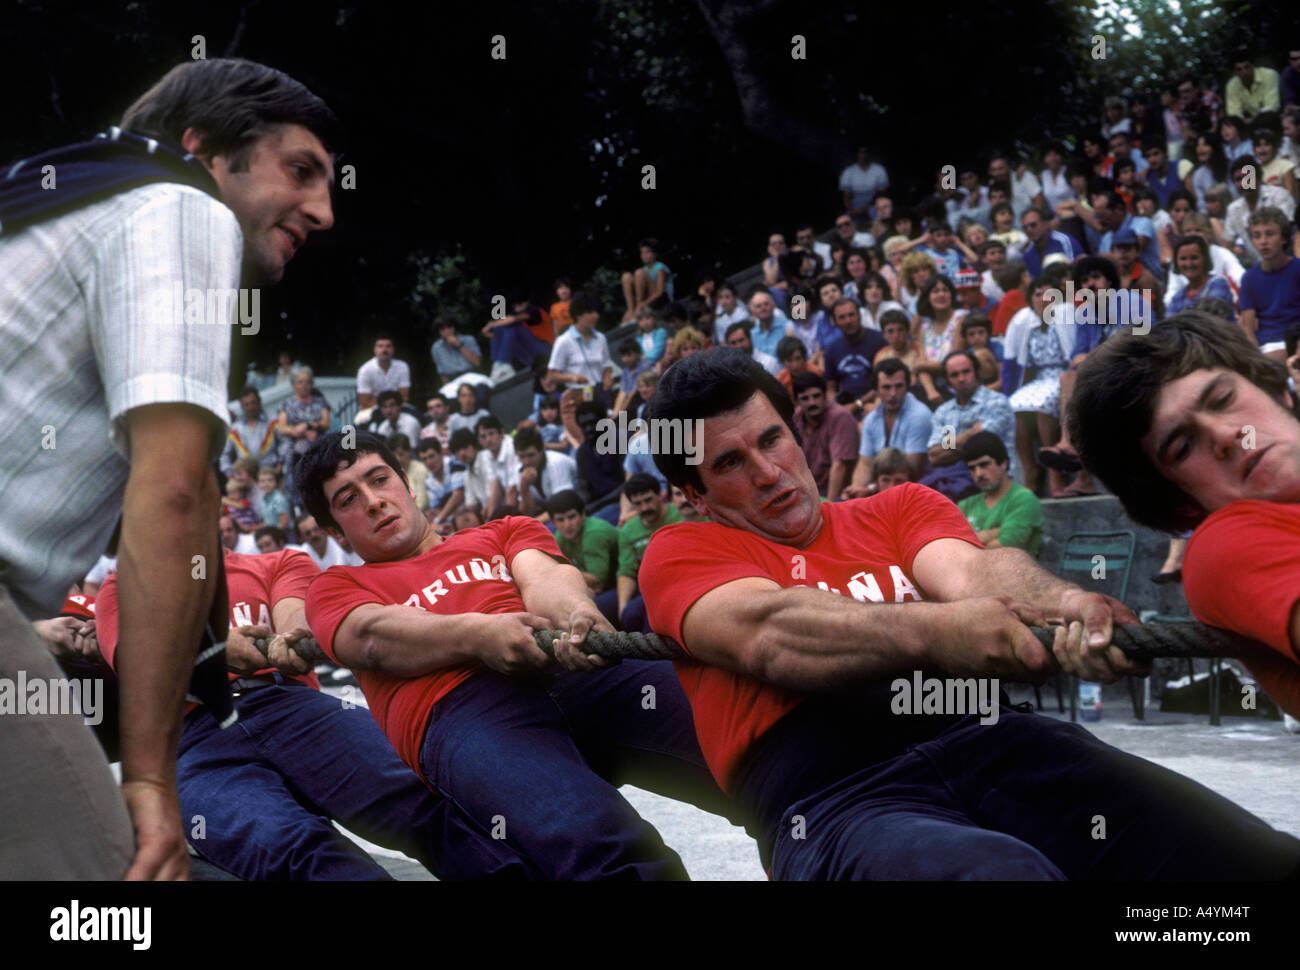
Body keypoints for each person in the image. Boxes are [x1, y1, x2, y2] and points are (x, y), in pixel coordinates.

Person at [636, 347, 1300, 880]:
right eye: (729, 462)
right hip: (834, 800)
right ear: (693, 492)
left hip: (996, 738)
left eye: (771, 440)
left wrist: (1064, 603)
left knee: (1248, 862)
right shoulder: (679, 551)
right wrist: (940, 631)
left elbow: (977, 571)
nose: (766, 471)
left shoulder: (896, 507)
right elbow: (768, 634)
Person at [0, 56, 337, 880]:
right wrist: (151, 778)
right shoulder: (181, 204)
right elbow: (176, 490)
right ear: (203, 148)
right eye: (300, 170)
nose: (325, 212)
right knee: (115, 886)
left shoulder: (65, 208)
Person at [296, 431, 732, 878]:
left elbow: (544, 577)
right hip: (461, 712)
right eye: (349, 498)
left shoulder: (504, 529)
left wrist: (576, 614)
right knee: (604, 848)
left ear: (406, 481)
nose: (373, 501)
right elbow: (368, 635)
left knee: (754, 752)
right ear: (334, 530)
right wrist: (480, 634)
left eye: (379, 479)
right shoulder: (334, 588)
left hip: (568, 663)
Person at [95, 545, 527, 880]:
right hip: (192, 738)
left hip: (288, 703)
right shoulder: (120, 588)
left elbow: (296, 615)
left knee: (418, 797)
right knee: (284, 845)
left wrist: (292, 635)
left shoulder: (279, 561)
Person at [1069, 311, 1300, 725]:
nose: (1226, 436)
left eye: (1223, 400)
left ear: (1277, 390)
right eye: (1182, 447)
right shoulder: (1225, 545)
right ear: (1180, 500)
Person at [843, 358, 932, 498]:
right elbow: (865, 464)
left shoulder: (919, 415)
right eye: (886, 387)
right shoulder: (871, 419)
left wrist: (870, 489)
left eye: (899, 386)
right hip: (881, 488)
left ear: (907, 386)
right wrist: (856, 490)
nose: (893, 393)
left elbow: (910, 470)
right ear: (876, 390)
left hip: (912, 491)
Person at [615, 473, 683, 634]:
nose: (645, 508)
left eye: (648, 500)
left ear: (661, 495)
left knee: (651, 622)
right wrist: (622, 605)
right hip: (648, 587)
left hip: (678, 581)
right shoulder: (627, 531)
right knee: (628, 615)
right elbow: (627, 571)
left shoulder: (681, 514)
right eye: (638, 504)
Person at [958, 432, 1043, 556]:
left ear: (1004, 463)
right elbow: (952, 549)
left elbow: (1002, 549)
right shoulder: (966, 505)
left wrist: (972, 541)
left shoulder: (1024, 499)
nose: (978, 474)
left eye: (984, 464)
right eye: (972, 468)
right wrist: (996, 532)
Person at [547, 489, 620, 626]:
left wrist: (563, 573)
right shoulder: (560, 537)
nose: (567, 525)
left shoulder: (593, 533)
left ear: (583, 515)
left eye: (571, 517)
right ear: (553, 523)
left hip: (623, 583)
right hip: (602, 586)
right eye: (560, 520)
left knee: (590, 609)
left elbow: (597, 581)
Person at [1238, 207, 1300, 360]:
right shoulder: (1249, 278)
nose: (1263, 242)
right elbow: (1248, 330)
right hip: (1266, 346)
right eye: (1257, 236)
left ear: (1284, 238)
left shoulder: (1297, 269)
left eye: (1270, 234)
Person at [791, 372, 858, 501]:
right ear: (797, 401)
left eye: (816, 396)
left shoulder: (840, 417)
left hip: (839, 493)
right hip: (808, 489)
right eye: (805, 398)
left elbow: (839, 466)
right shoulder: (795, 418)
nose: (812, 403)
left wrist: (829, 506)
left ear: (825, 395)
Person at [1224, 157, 1296, 267]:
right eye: (1238, 179)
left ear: (1258, 178)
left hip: (1288, 262)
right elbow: (1227, 244)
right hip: (1258, 268)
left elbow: (1288, 233)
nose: (1244, 183)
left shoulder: (1279, 195)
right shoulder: (1233, 209)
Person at [823, 298, 888, 414]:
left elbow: (885, 382)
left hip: (874, 403)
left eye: (851, 315)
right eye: (842, 317)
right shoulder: (832, 348)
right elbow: (830, 388)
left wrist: (858, 404)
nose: (848, 321)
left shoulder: (879, 341)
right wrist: (835, 407)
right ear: (835, 322)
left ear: (859, 316)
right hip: (844, 406)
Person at [547, 291, 614, 400]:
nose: (595, 316)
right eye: (590, 312)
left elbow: (607, 366)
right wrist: (573, 378)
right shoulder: (563, 341)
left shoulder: (601, 338)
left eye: (596, 312)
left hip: (601, 392)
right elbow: (552, 375)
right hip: (577, 395)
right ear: (578, 315)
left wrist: (607, 378)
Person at [1166, 234, 1237, 321]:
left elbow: (1210, 321)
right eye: (1183, 259)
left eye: (1194, 258)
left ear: (1205, 259)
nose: (1189, 264)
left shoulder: (1218, 284)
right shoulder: (1178, 297)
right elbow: (1168, 326)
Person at [515, 426, 579, 516]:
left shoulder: (556, 463)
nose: (526, 462)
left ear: (541, 450)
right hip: (554, 514)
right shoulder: (519, 470)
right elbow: (528, 513)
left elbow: (564, 507)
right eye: (522, 456)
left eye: (531, 455)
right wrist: (524, 487)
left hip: (578, 508)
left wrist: (535, 523)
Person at [220, 385, 281, 477]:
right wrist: (229, 472)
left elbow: (285, 443)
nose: (251, 407)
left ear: (259, 402)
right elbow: (224, 454)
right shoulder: (235, 429)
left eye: (253, 403)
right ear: (242, 406)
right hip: (246, 478)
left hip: (270, 474)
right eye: (247, 404)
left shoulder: (273, 422)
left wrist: (281, 463)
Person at [418, 437, 466, 533]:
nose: (429, 462)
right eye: (424, 459)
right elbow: (436, 508)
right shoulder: (428, 481)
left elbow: (458, 495)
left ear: (441, 453)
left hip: (469, 514)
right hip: (450, 521)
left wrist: (437, 520)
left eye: (431, 456)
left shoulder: (454, 464)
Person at [621, 237, 673, 322]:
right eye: (642, 253)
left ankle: (638, 307)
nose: (644, 255)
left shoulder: (660, 268)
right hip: (647, 301)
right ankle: (630, 310)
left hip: (662, 301)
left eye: (647, 252)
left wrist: (642, 304)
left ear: (655, 254)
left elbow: (659, 293)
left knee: (639, 273)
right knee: (626, 276)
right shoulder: (644, 269)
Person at [356, 335, 411, 412]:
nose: (384, 349)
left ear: (393, 349)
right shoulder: (365, 370)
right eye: (380, 346)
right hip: (372, 410)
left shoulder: (402, 366)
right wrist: (391, 402)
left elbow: (404, 397)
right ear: (374, 350)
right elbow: (364, 402)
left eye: (388, 346)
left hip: (399, 409)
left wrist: (375, 398)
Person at [1225, 53, 1281, 125]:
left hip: (1278, 117)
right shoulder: (1232, 85)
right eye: (1239, 69)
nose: (1244, 72)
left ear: (1253, 66)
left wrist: (1250, 120)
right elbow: (1234, 115)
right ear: (1235, 72)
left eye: (1247, 67)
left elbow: (1272, 107)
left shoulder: (1269, 75)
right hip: (1252, 123)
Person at [840, 147, 890, 223]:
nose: (863, 155)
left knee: (879, 217)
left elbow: (881, 193)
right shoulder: (848, 171)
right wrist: (852, 209)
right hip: (855, 206)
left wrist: (866, 207)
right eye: (861, 153)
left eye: (865, 152)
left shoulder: (879, 169)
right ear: (857, 155)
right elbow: (846, 196)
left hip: (874, 204)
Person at [430, 316, 482, 382]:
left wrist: (459, 345)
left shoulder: (468, 339)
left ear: (454, 327)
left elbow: (477, 363)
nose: (447, 331)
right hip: (452, 379)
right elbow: (442, 373)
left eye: (449, 327)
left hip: (471, 375)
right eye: (442, 329)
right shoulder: (436, 347)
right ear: (439, 331)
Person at [256, 467, 292, 533]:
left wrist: (269, 534)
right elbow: (267, 522)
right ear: (258, 483)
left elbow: (284, 524)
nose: (266, 484)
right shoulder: (263, 500)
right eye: (262, 481)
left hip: (282, 535)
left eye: (270, 480)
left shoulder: (279, 499)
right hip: (271, 533)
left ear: (275, 482)